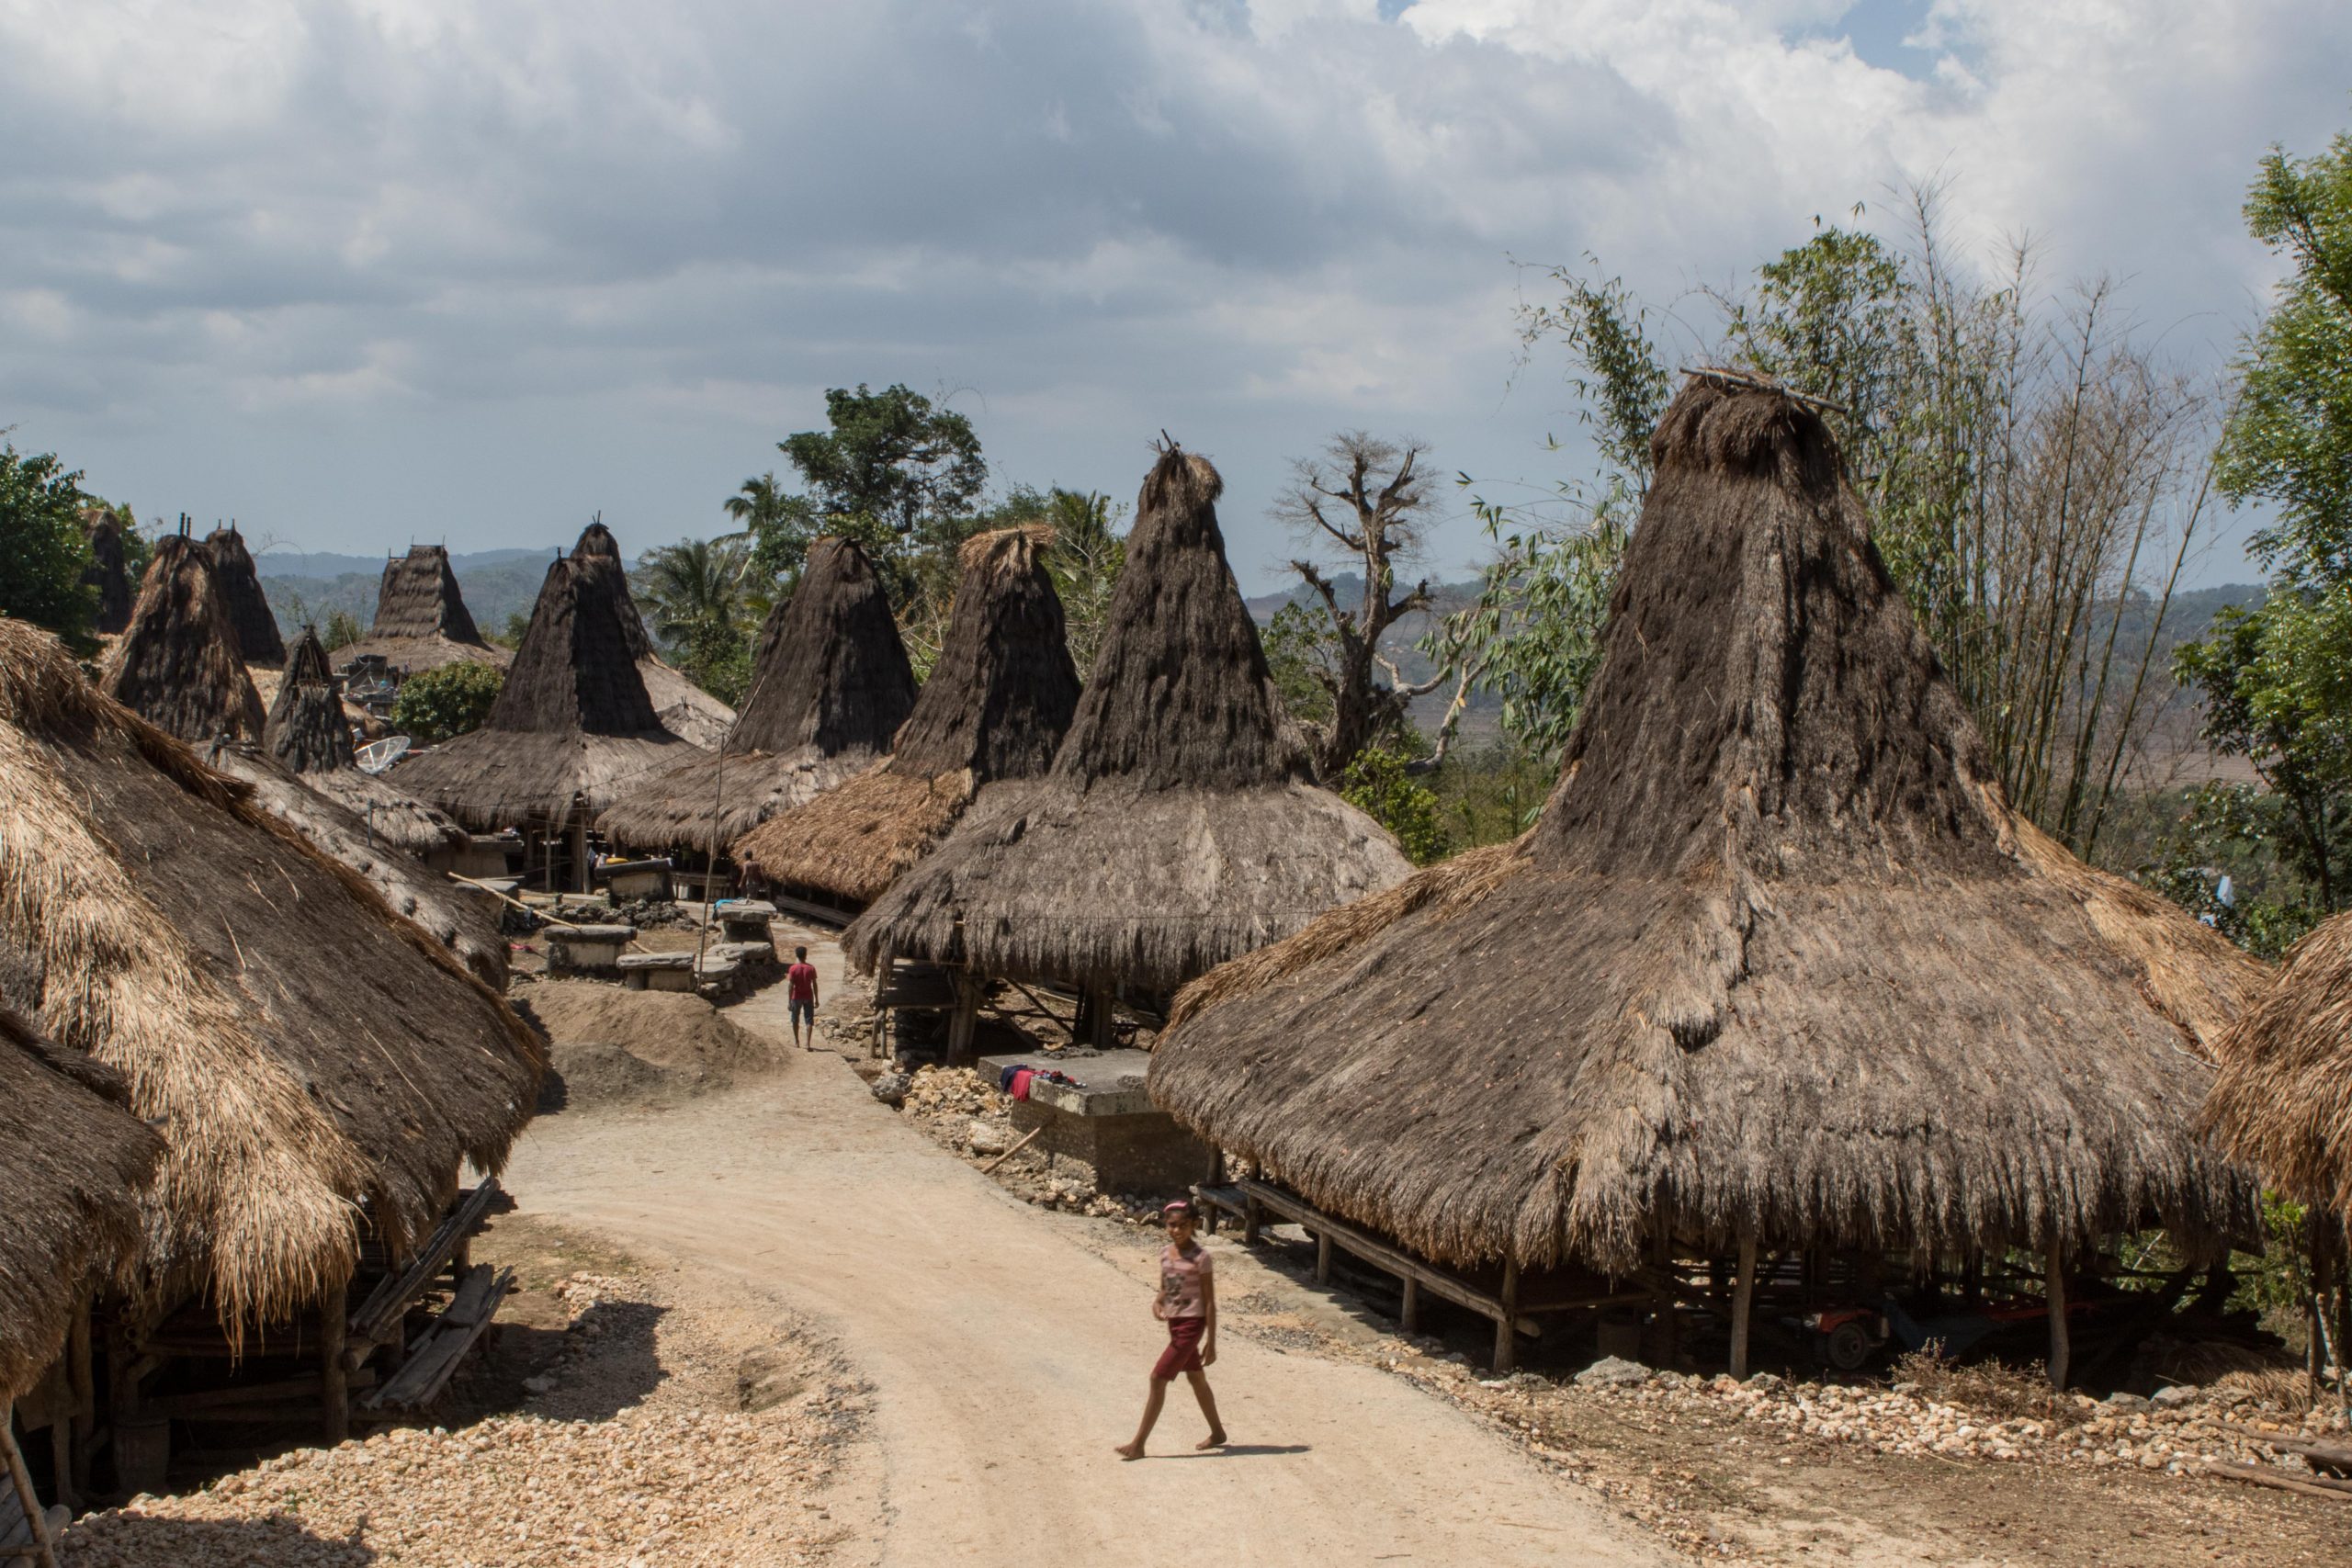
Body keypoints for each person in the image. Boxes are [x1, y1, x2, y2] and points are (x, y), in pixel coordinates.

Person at [1114, 1200, 1226, 1460]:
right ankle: (1218, 1432)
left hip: (1192, 1325)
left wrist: (1211, 1342)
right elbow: (1166, 1288)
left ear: (1194, 1225)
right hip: (1175, 1324)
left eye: (1183, 1225)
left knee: (1158, 1378)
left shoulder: (1201, 1258)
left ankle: (1138, 1444)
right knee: (1195, 1377)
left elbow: (1209, 1302)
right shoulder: (1166, 1254)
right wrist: (1157, 1302)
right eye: (1172, 1225)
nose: (1176, 1231)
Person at [786, 945, 820, 1050]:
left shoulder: (793, 968)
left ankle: (797, 1041)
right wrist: (817, 999)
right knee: (809, 1020)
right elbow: (814, 984)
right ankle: (808, 1044)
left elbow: (791, 986)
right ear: (805, 955)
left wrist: (789, 1001)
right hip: (808, 996)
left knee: (795, 1019)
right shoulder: (811, 968)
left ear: (796, 955)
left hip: (796, 997)